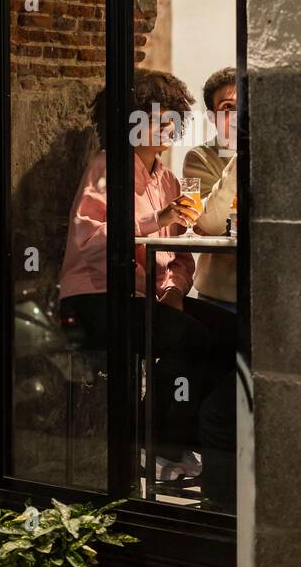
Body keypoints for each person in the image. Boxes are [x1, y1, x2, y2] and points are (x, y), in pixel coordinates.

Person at [58, 69, 234, 483]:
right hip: (95, 298)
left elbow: (180, 254)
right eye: (156, 116)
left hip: (147, 299)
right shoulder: (107, 169)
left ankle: (191, 441)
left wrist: (174, 289)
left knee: (232, 333)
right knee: (185, 337)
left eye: (173, 116)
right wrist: (160, 217)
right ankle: (151, 442)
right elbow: (91, 239)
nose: (168, 125)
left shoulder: (170, 179)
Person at [182, 66, 237, 312]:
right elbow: (210, 226)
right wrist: (241, 159)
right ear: (212, 116)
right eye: (228, 108)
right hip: (222, 298)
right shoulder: (200, 157)